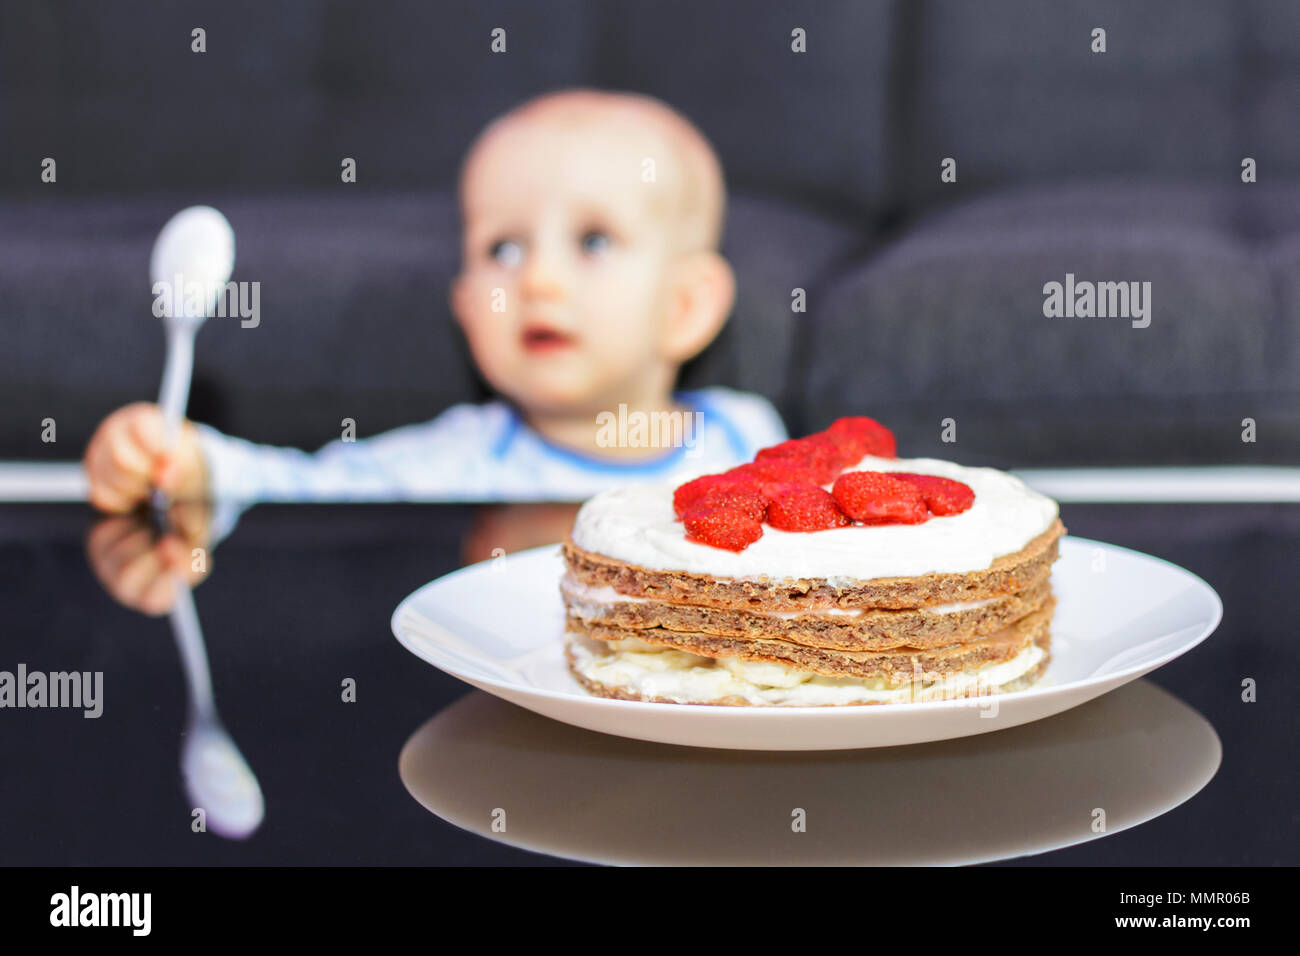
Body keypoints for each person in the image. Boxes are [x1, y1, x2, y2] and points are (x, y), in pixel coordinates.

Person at [82, 89, 788, 613]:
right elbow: (311, 489)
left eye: (594, 241)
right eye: (502, 249)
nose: (537, 280)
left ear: (684, 308)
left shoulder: (747, 437)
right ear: (465, 306)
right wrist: (188, 460)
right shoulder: (461, 461)